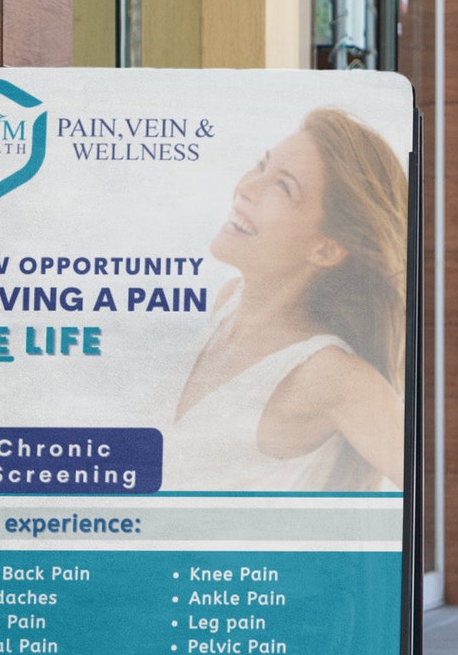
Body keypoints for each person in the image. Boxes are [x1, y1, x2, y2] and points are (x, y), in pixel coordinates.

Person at [160, 108, 407, 492]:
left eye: (283, 186)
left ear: (326, 249)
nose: (247, 187)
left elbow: (440, 497)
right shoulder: (227, 303)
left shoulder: (331, 377)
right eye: (261, 165)